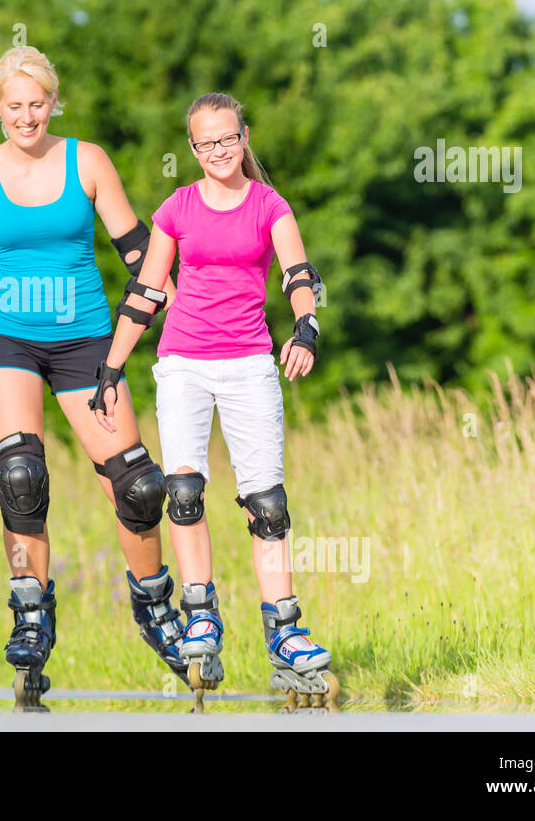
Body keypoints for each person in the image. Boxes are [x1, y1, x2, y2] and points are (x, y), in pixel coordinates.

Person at [0, 46, 190, 709]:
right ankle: (31, 614)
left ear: (54, 103)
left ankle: (154, 606)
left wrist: (181, 299)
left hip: (86, 338)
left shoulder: (89, 160)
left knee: (139, 485)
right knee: (21, 475)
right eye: (13, 105)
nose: (26, 116)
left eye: (37, 103)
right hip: (5, 338)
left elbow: (138, 247)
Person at [89, 92, 340, 712]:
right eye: (206, 144)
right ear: (194, 149)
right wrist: (112, 367)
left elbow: (299, 276)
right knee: (183, 490)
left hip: (250, 361)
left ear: (244, 137)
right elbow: (147, 289)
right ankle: (201, 615)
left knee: (267, 502)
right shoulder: (176, 209)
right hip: (183, 363)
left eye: (228, 139)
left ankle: (286, 632)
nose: (220, 152)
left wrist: (305, 328)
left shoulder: (268, 205)